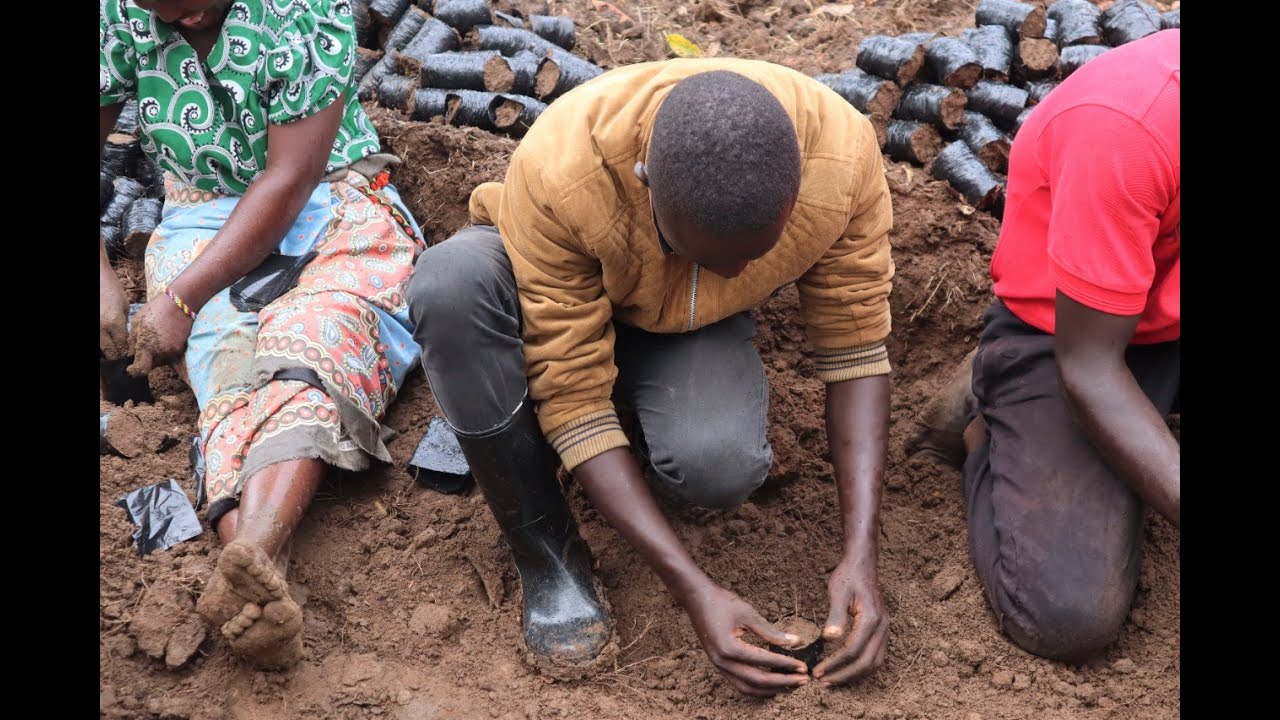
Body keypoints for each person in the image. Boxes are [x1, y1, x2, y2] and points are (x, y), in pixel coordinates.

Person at [408, 59, 896, 695]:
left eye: (752, 260)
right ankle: (546, 550)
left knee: (719, 464)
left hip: (678, 321)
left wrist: (862, 556)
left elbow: (857, 345)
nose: (734, 273)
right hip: (545, 280)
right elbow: (575, 392)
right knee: (451, 287)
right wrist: (693, 589)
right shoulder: (565, 168)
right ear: (646, 186)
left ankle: (622, 413)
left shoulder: (843, 161)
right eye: (706, 253)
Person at [100, 0, 425, 669]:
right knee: (227, 369)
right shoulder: (116, 12)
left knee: (316, 336)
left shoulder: (300, 9)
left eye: (193, 5)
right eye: (164, 11)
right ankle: (253, 577)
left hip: (330, 199)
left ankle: (254, 552)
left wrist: (182, 300)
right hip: (200, 223)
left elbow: (290, 176)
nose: (184, 23)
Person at [908, 29, 1180, 661]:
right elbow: (1090, 368)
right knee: (1066, 614)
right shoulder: (1126, 128)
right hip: (1075, 340)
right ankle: (986, 422)